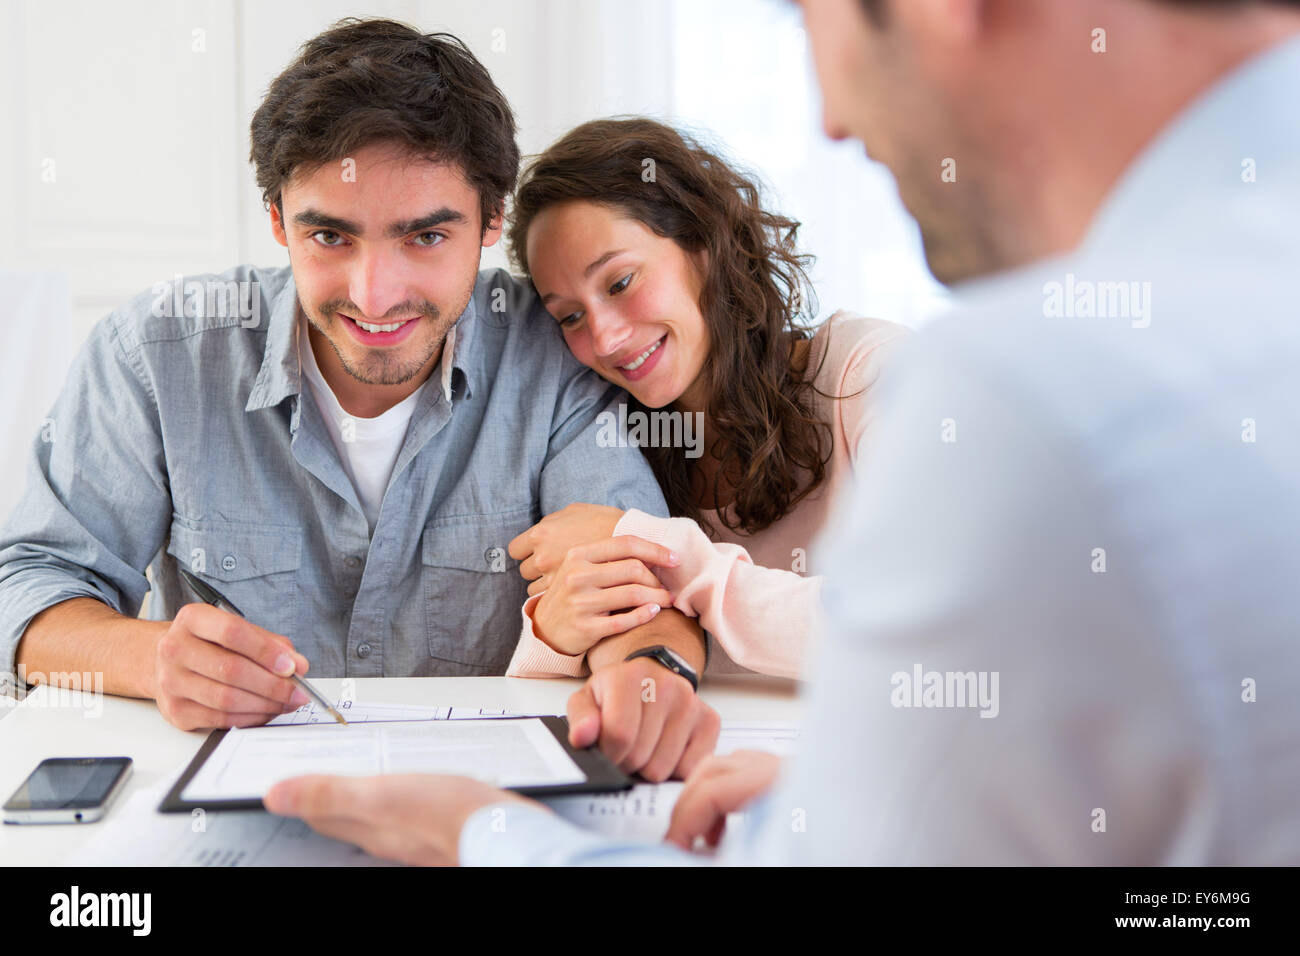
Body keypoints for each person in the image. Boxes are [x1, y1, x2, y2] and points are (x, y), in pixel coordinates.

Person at [265, 0, 1300, 865]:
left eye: (621, 283)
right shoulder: (619, 429)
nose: (834, 118)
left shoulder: (950, 385)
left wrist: (485, 836)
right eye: (568, 313)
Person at [0, 18, 720, 781]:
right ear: (278, 219)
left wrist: (646, 675)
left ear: (490, 225)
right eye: (331, 238)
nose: (375, 296)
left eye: (426, 238)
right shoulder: (157, 352)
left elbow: (635, 584)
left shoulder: (554, 352)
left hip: (480, 806)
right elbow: (31, 585)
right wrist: (150, 658)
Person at [500, 117, 907, 681]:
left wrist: (658, 548)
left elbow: (923, 628)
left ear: (705, 245)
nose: (606, 338)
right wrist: (552, 640)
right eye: (570, 316)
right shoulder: (614, 447)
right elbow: (592, 709)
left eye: (620, 283)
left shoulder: (870, 376)